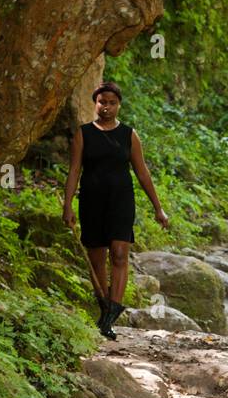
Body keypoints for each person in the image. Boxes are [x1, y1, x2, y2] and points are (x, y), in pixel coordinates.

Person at [62, 81, 169, 338]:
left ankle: (111, 315)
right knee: (97, 257)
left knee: (120, 254)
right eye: (102, 102)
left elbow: (142, 172)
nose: (106, 107)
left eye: (111, 103)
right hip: (91, 201)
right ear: (95, 104)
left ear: (118, 105)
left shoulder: (129, 135)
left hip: (121, 201)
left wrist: (158, 208)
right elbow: (74, 170)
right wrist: (68, 205)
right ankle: (104, 310)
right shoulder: (84, 133)